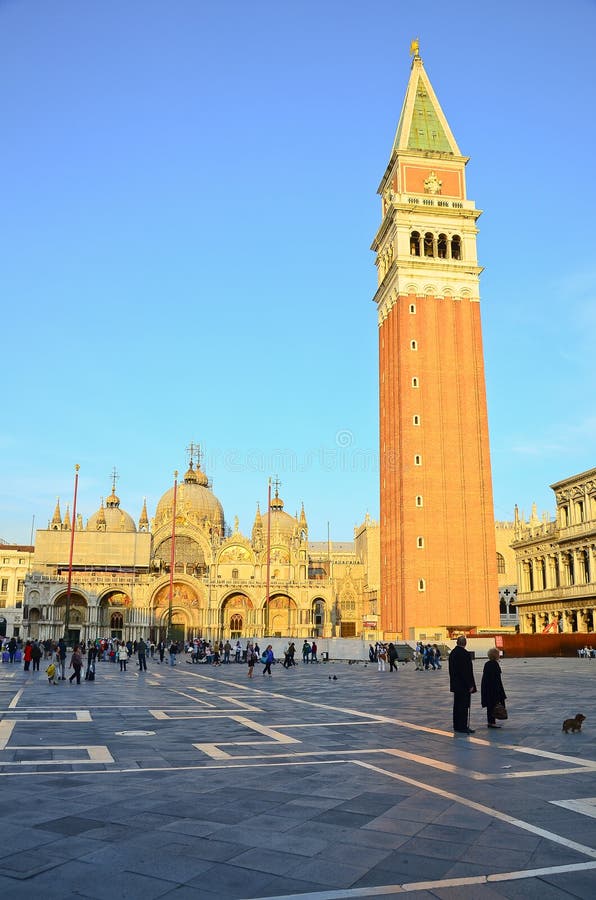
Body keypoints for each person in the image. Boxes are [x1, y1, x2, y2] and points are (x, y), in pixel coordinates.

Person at [448, 635, 477, 734]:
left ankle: (457, 725)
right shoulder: (464, 654)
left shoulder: (453, 653)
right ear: (465, 643)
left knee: (457, 705)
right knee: (464, 706)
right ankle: (463, 726)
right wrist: (470, 685)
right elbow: (466, 671)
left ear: (457, 642)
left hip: (456, 684)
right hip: (464, 685)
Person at [481, 647, 507, 729]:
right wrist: (500, 691)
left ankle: (490, 722)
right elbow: (497, 679)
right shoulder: (495, 665)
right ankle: (492, 722)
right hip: (494, 688)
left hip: (487, 688)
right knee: (493, 704)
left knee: (490, 705)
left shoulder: (487, 664)